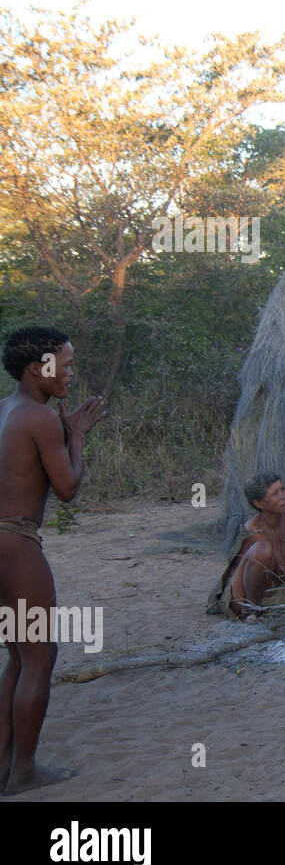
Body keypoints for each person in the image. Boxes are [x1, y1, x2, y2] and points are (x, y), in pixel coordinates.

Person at [0, 326, 106, 793]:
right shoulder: (41, 418)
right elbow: (66, 490)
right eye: (63, 364)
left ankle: (4, 763)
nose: (70, 372)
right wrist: (76, 436)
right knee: (39, 656)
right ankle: (24, 771)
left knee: (17, 658)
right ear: (34, 368)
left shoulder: (4, 411)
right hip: (16, 546)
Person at [215, 473, 285, 618]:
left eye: (283, 489)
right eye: (275, 494)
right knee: (262, 550)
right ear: (259, 504)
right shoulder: (254, 532)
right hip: (242, 599)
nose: (283, 496)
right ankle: (253, 612)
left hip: (278, 586)